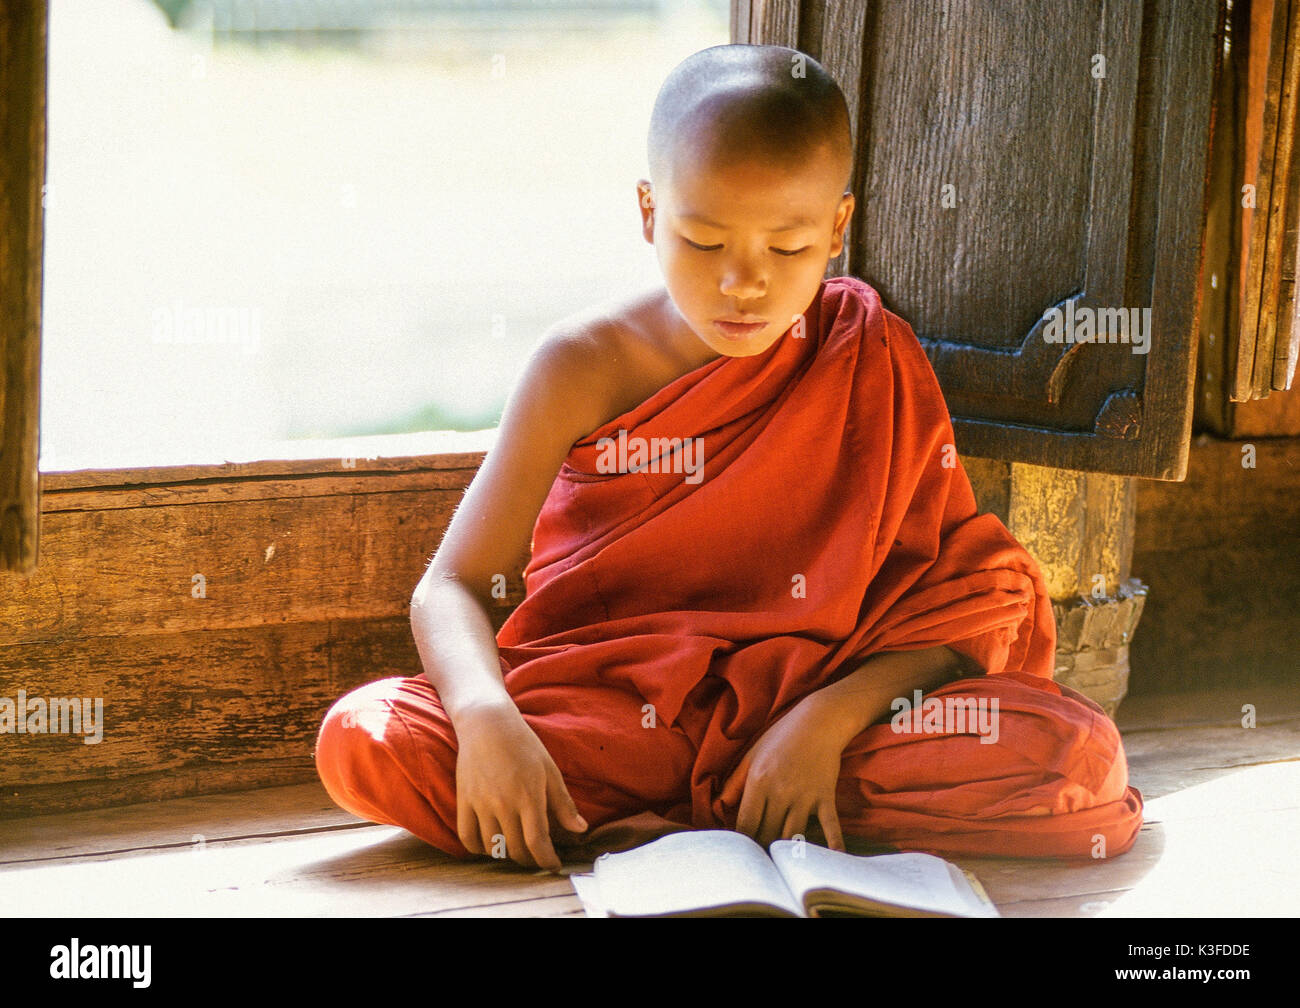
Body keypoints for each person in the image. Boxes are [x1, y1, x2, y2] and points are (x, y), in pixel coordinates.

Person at [314, 43, 1143, 873]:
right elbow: (452, 583)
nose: (743, 284)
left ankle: (745, 794)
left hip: (819, 710)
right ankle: (764, 814)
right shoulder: (582, 366)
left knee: (1075, 756)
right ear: (648, 212)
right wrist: (487, 718)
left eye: (786, 249)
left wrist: (823, 723)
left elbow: (959, 605)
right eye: (704, 242)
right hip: (620, 715)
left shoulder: (869, 354)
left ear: (836, 229)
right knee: (367, 738)